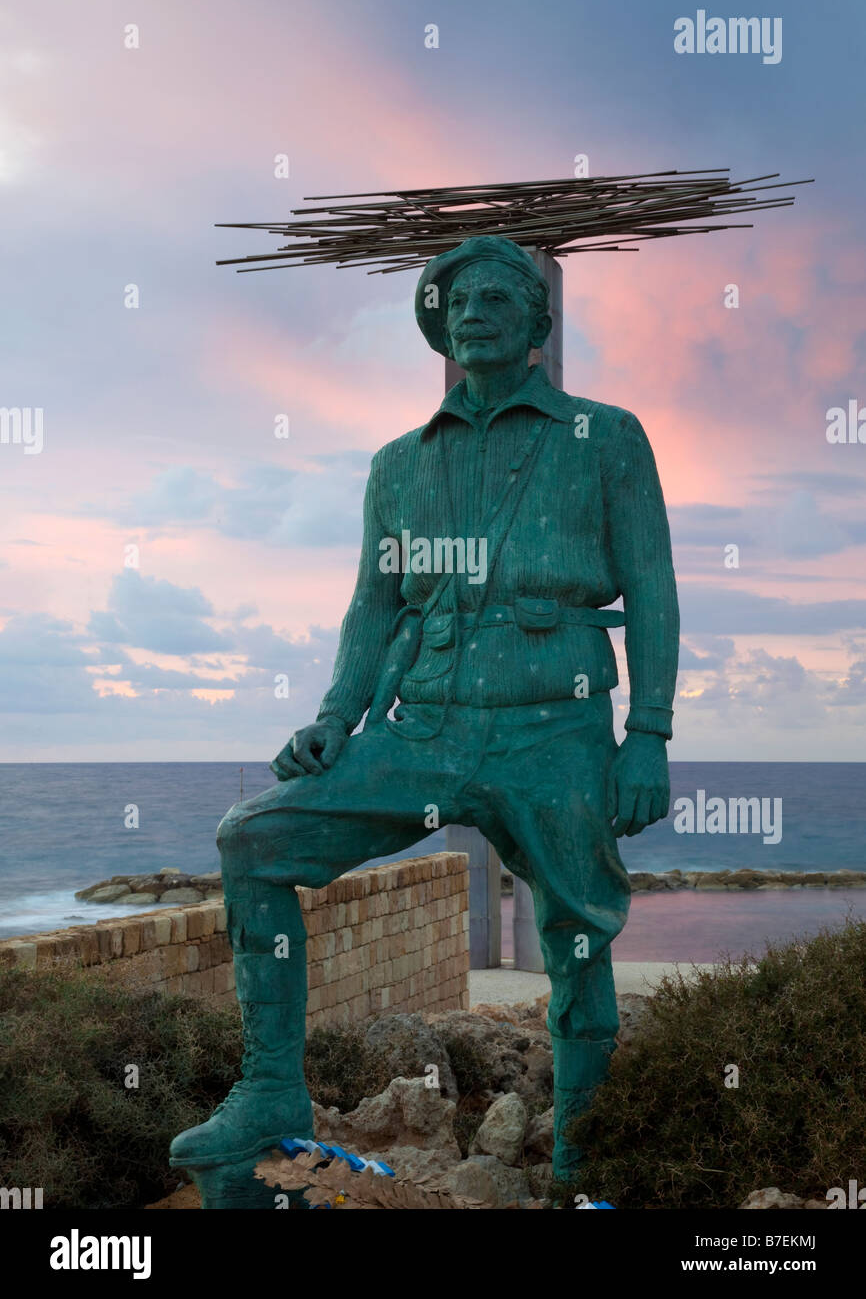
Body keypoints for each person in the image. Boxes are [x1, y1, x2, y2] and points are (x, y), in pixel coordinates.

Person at [170, 234, 679, 1182]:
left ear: (537, 322)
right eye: (460, 300)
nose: (478, 309)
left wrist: (646, 734)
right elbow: (374, 603)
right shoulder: (397, 464)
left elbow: (652, 586)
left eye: (500, 295)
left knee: (576, 933)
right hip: (424, 726)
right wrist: (335, 715)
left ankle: (584, 1156)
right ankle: (272, 1087)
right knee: (252, 838)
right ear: (438, 328)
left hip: (553, 725)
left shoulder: (604, 436)